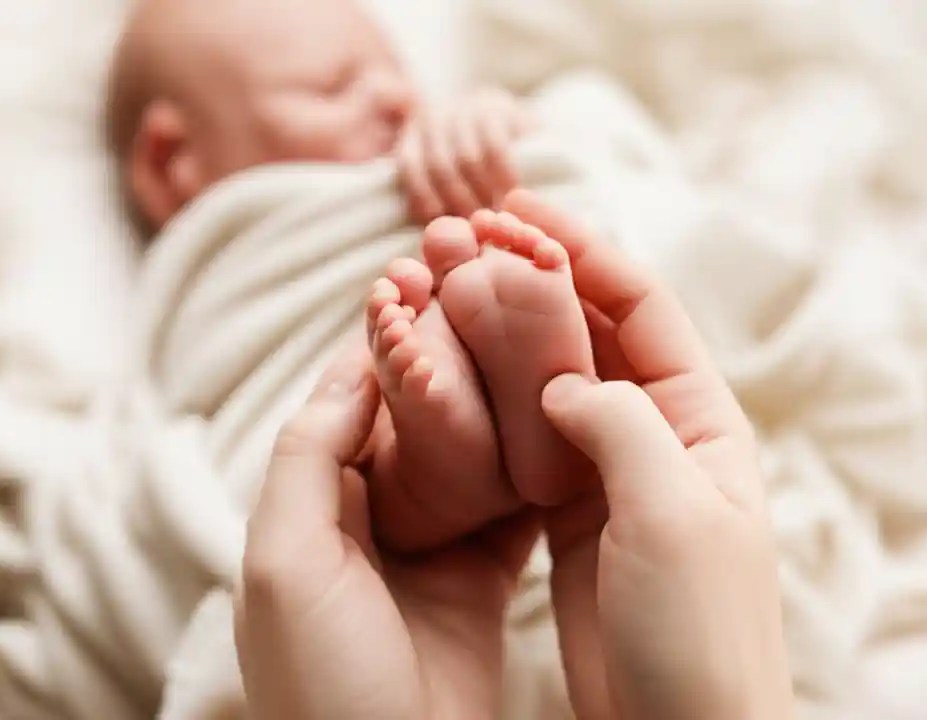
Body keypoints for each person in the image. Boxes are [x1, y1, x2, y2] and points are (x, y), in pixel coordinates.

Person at [234, 191, 797, 720]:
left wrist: (464, 131)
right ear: (170, 162)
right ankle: (462, 437)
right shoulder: (262, 208)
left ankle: (445, 448)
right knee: (385, 460)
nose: (382, 94)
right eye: (331, 87)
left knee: (374, 460)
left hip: (397, 552)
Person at [105, 0, 583, 555]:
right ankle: (431, 442)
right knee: (332, 438)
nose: (398, 100)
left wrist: (495, 132)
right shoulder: (230, 272)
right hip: (353, 452)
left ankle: (486, 403)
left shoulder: (434, 149)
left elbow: (584, 163)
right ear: (172, 163)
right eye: (332, 88)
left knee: (572, 136)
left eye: (397, 73)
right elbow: (231, 397)